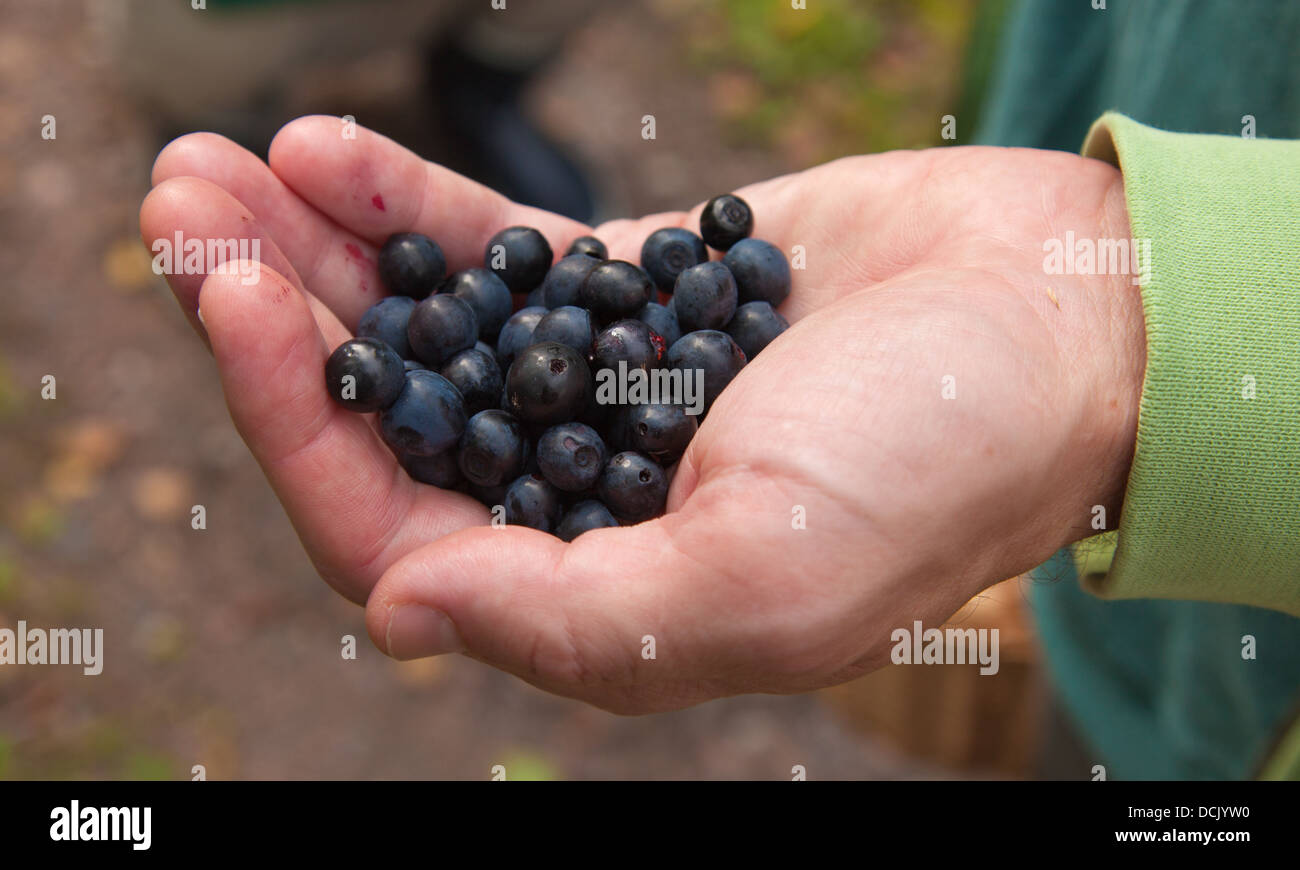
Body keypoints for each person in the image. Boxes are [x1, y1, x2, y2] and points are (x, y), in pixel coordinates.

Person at [138, 2, 1300, 779]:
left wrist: (1109, 328)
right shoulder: (577, 342)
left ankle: (472, 80)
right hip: (1144, 655)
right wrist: (1117, 297)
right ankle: (271, 80)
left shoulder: (648, 349)